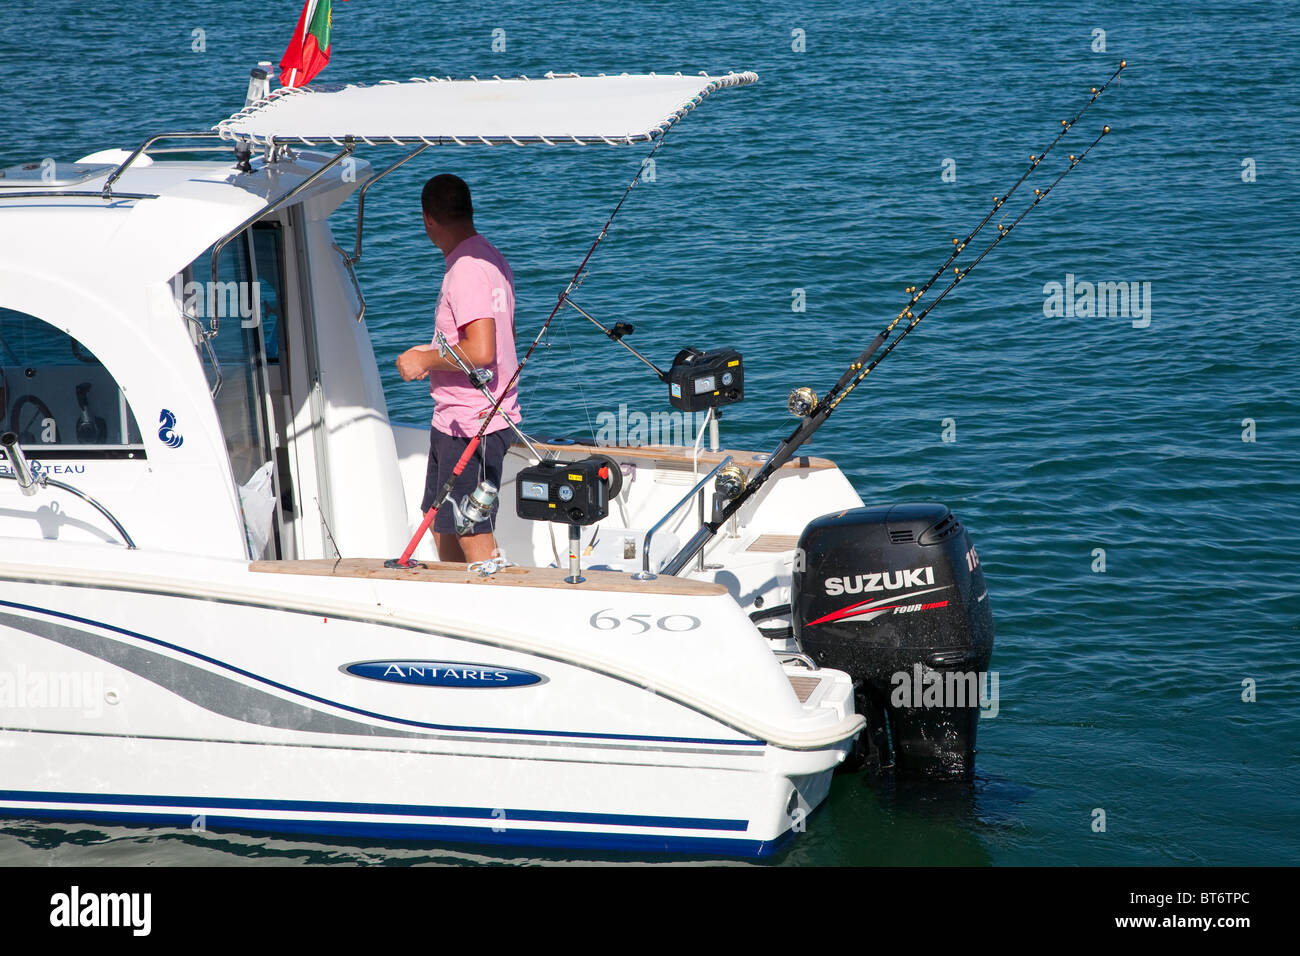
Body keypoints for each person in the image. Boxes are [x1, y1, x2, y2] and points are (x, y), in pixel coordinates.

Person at [396, 174, 522, 564]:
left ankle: (491, 606)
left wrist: (423, 360)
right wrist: (435, 349)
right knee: (438, 519)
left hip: (473, 423)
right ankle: (455, 590)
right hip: (454, 420)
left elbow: (482, 350)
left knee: (470, 526)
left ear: (427, 219)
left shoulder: (465, 269)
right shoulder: (488, 256)